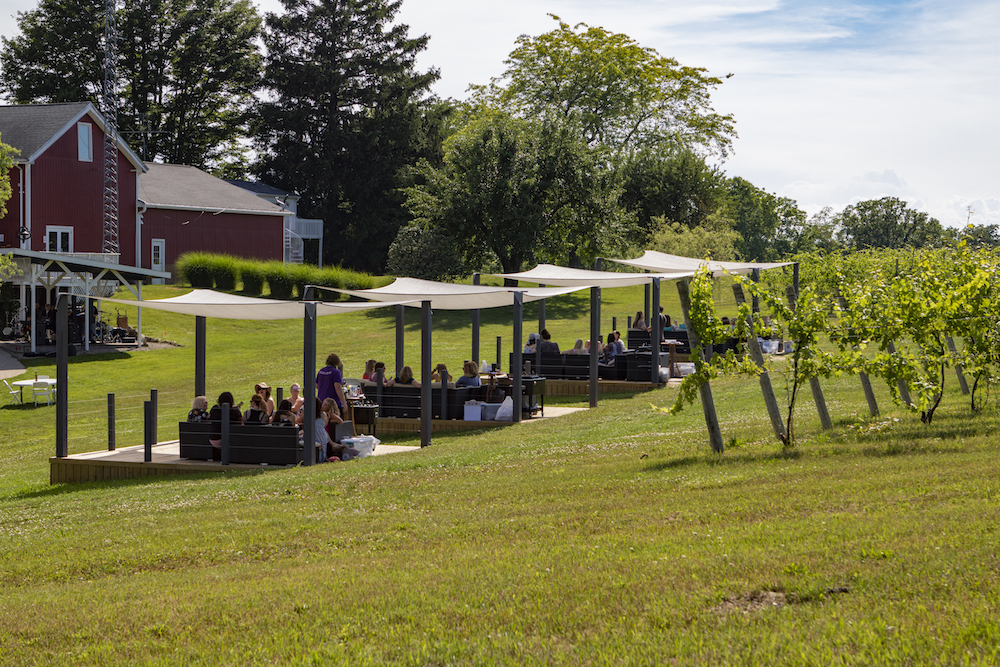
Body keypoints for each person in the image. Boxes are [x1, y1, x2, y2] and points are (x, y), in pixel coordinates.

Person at [208, 391, 244, 459]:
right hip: (226, 439)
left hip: (212, 439)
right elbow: (241, 424)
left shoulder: (214, 409)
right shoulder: (235, 412)